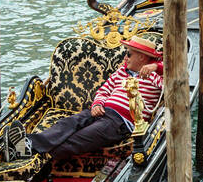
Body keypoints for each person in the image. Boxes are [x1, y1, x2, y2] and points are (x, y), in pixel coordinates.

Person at [27, 36, 165, 159]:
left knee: (79, 138)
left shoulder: (157, 76)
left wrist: (155, 67)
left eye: (128, 54)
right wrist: (97, 104)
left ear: (142, 57)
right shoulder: (121, 72)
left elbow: (175, 74)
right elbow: (104, 91)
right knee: (67, 124)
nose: (125, 58)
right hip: (101, 111)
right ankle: (27, 144)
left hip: (120, 122)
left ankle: (35, 158)